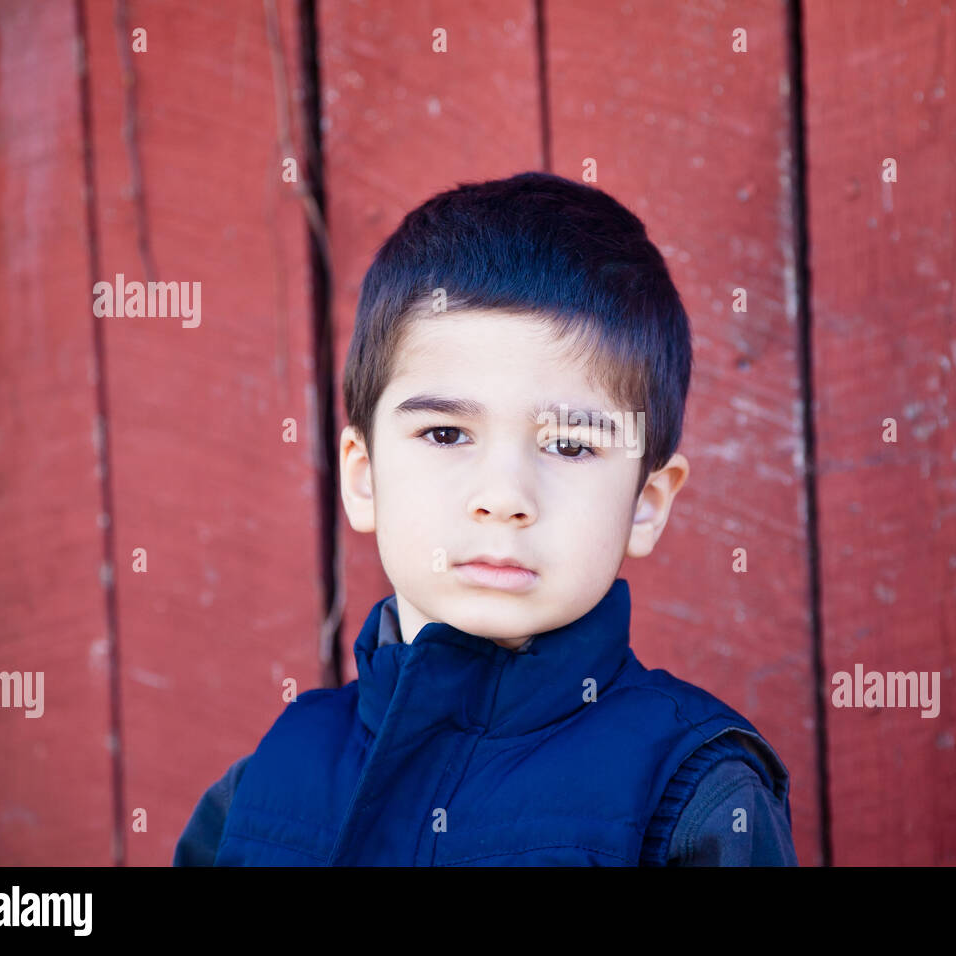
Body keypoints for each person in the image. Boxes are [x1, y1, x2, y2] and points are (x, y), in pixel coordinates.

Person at [173, 171, 797, 866]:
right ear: (363, 476)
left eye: (568, 445)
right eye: (445, 434)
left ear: (646, 504)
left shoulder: (692, 795)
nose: (504, 498)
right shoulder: (265, 786)